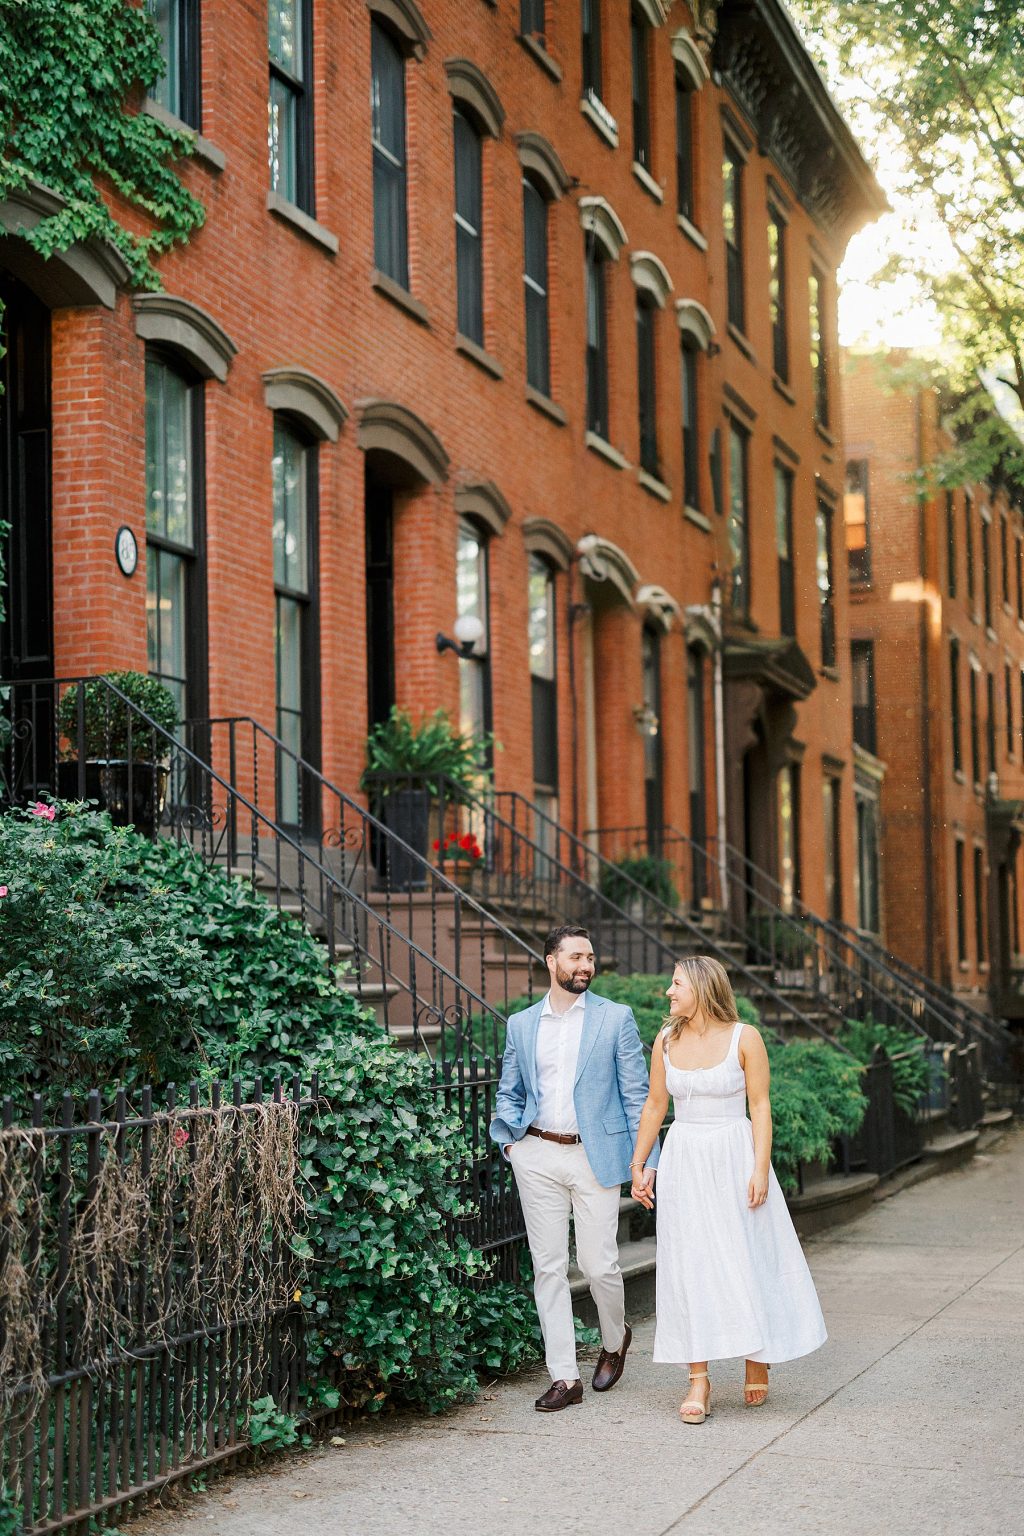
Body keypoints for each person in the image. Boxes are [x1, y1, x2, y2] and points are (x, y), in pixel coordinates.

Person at [629, 955, 826, 1423]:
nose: (668, 993)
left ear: (701, 987)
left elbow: (760, 1106)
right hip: (686, 1158)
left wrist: (760, 1168)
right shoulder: (665, 1040)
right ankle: (698, 1378)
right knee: (689, 1263)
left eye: (676, 984)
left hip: (735, 1154)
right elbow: (656, 1105)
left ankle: (756, 1353)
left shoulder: (746, 1038)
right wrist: (640, 1165)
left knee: (746, 1255)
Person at [490, 925, 658, 1412]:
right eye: (577, 957)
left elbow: (636, 1096)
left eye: (590, 957)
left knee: (599, 1264)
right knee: (547, 1267)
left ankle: (613, 1339)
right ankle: (564, 1377)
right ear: (551, 961)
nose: (586, 965)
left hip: (594, 1156)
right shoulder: (521, 1024)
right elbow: (509, 1089)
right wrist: (511, 1144)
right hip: (536, 1153)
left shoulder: (615, 1018)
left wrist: (644, 1162)